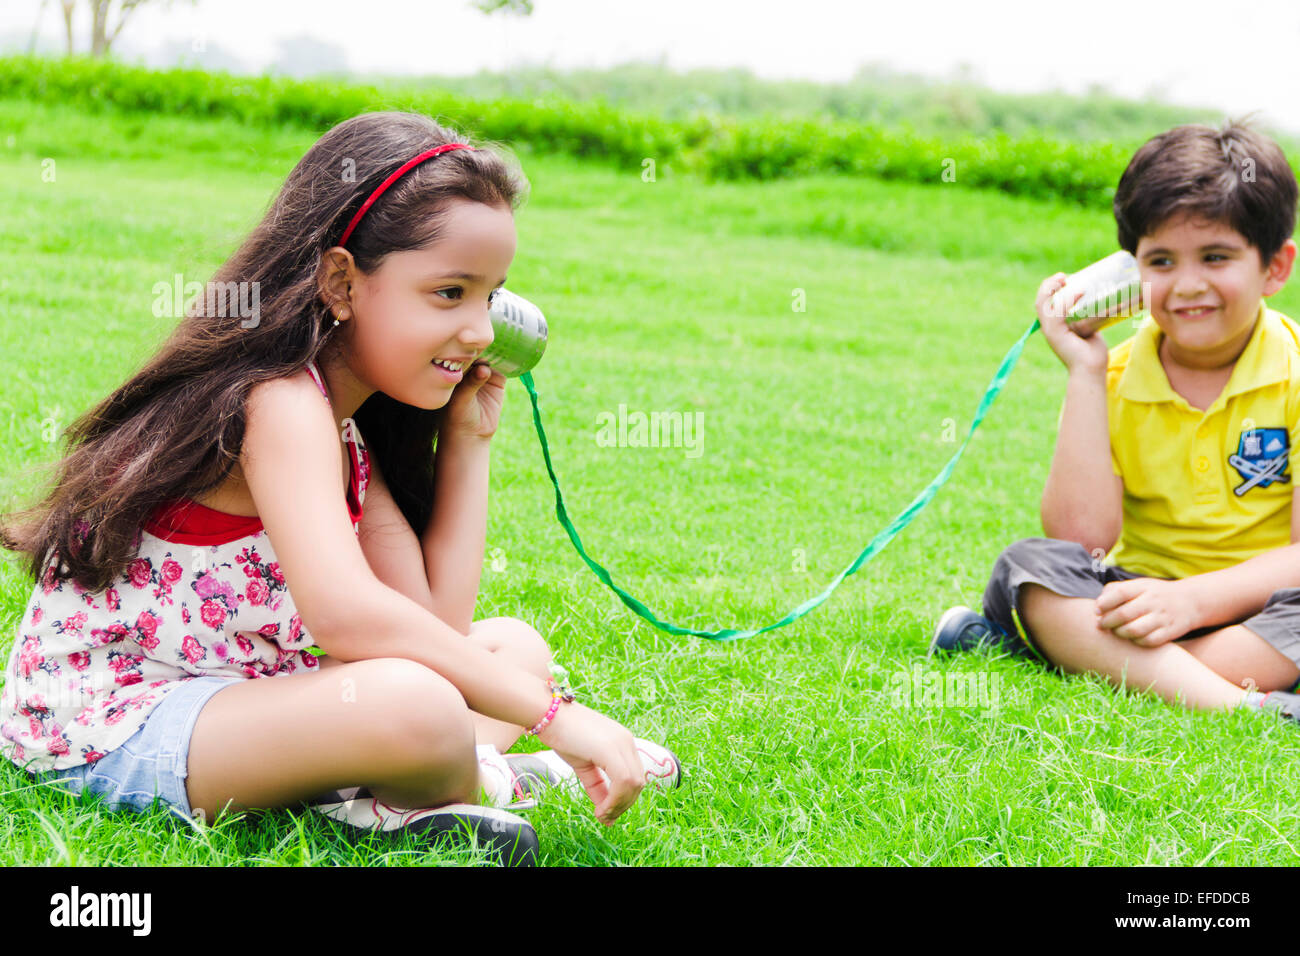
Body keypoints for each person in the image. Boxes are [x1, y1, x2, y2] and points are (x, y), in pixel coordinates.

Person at [0, 111, 679, 867]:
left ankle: (423, 787)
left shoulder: (346, 434)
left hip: (244, 699)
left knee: (510, 650)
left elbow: (436, 629)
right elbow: (348, 617)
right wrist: (556, 718)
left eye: (491, 297)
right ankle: (475, 782)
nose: (483, 330)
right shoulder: (278, 403)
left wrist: (468, 441)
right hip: (116, 725)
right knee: (416, 706)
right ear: (340, 282)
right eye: (450, 293)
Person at [931, 118, 1300, 721]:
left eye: (1215, 256)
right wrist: (1083, 372)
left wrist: (1192, 601)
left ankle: (1081, 658)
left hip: (1262, 608)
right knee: (1029, 568)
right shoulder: (1114, 376)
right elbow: (1082, 542)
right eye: (1160, 260)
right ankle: (1244, 704)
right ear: (1128, 275)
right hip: (1131, 600)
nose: (1187, 285)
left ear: (1274, 268)